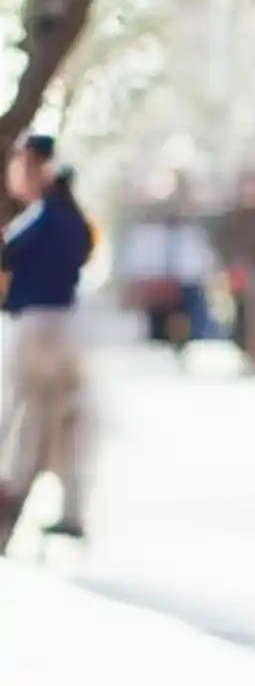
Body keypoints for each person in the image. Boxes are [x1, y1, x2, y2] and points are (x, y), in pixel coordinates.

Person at [0, 135, 94, 551]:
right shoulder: (71, 220)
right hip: (66, 326)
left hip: (35, 328)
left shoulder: (42, 219)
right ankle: (70, 511)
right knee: (57, 423)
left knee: (20, 421)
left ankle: (9, 513)